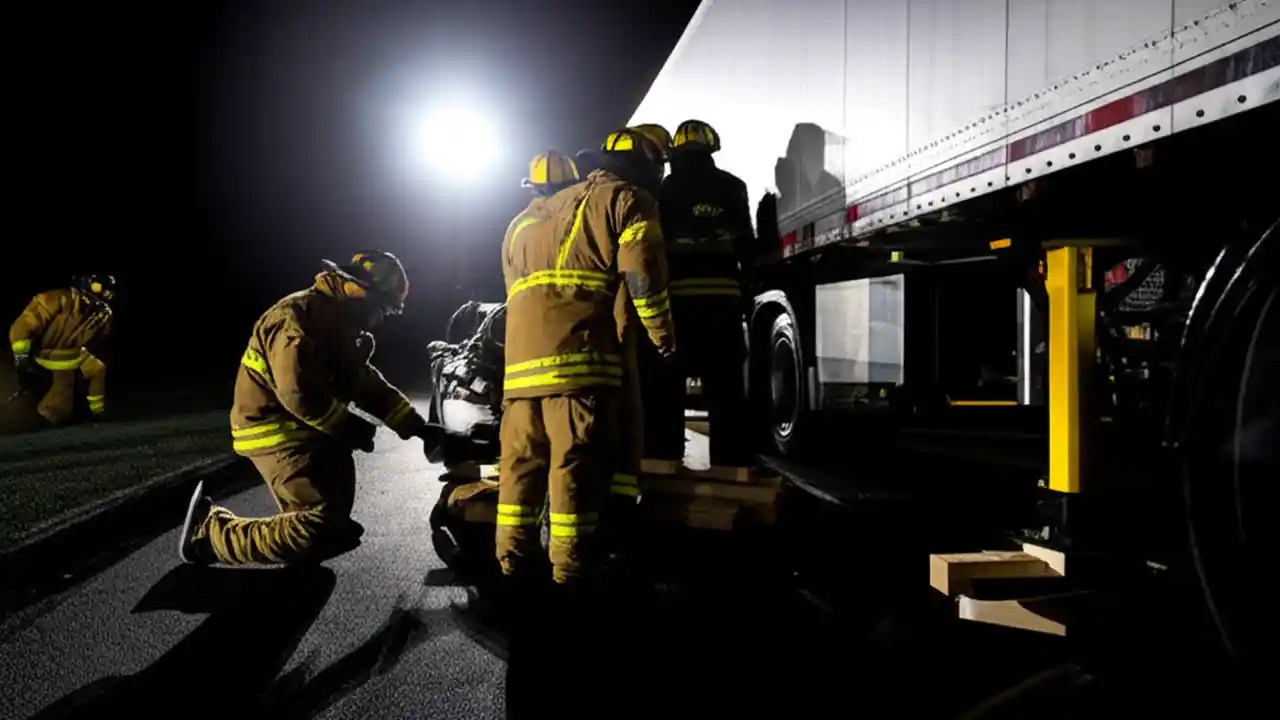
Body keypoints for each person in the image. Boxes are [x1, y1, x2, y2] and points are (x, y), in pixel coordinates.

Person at [178, 250, 446, 565]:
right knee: (316, 527)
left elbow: (364, 384)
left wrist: (417, 428)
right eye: (382, 308)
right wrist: (351, 428)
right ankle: (208, 534)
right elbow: (297, 393)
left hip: (307, 428)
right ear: (359, 291)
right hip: (275, 430)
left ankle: (313, 536)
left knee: (333, 521)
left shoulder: (336, 323)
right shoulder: (297, 317)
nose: (381, 318)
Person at [496, 128, 676, 590]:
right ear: (645, 165)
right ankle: (571, 578)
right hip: (577, 370)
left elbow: (519, 295)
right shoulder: (626, 200)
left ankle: (512, 568)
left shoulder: (525, 219)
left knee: (521, 472)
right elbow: (643, 275)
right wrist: (663, 337)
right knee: (573, 472)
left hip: (519, 380)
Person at [645, 119, 755, 466]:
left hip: (678, 306)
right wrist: (746, 293)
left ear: (675, 151)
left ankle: (665, 460)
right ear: (712, 149)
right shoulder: (733, 187)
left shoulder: (663, 191)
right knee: (727, 391)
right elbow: (746, 246)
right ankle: (729, 463)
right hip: (723, 303)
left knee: (667, 391)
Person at [8, 274, 115, 425]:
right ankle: (42, 416)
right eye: (101, 287)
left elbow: (99, 337)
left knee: (97, 370)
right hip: (53, 353)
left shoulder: (102, 311)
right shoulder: (58, 298)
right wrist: (22, 358)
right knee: (59, 408)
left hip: (76, 352)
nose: (105, 293)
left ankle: (96, 411)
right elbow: (23, 328)